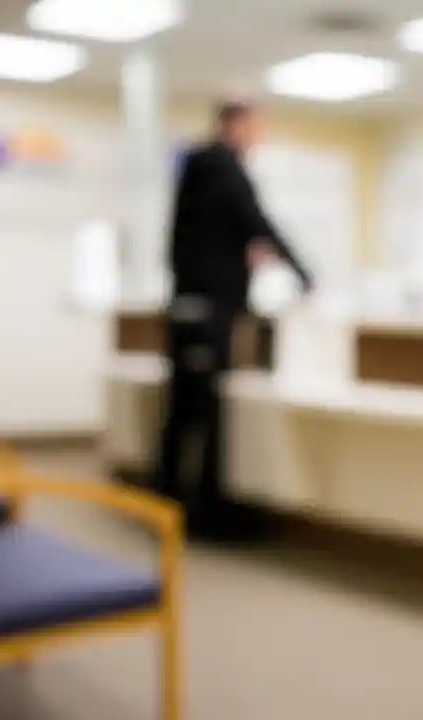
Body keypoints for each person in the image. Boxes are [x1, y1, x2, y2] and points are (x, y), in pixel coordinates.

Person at [156, 100, 312, 537]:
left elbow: (227, 227)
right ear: (237, 124)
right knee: (204, 412)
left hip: (190, 303)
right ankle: (205, 514)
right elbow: (256, 221)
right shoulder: (222, 163)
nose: (260, 136)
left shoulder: (199, 167)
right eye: (258, 126)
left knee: (184, 411)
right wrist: (304, 274)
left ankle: (167, 503)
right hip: (209, 308)